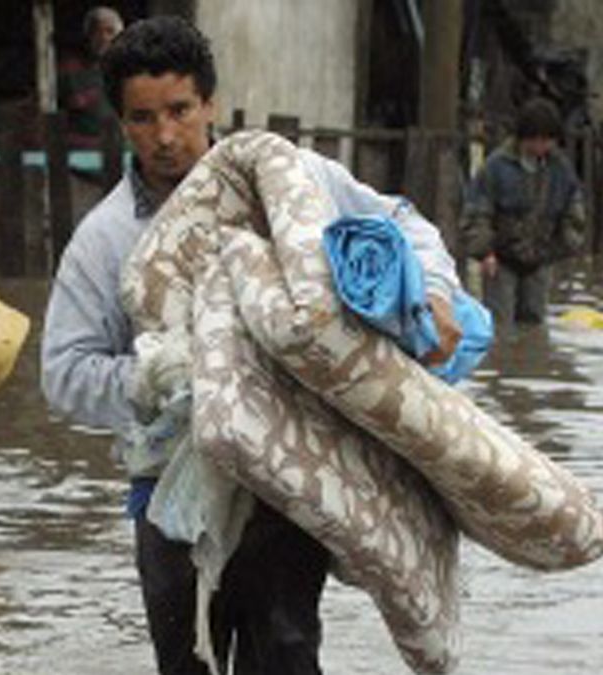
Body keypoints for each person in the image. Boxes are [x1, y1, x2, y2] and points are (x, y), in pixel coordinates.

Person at [40, 16, 461, 674]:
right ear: (123, 124)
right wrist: (177, 378)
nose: (167, 135)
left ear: (210, 102)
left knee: (288, 649)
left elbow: (404, 223)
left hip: (287, 479)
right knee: (187, 663)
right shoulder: (106, 238)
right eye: (144, 118)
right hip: (168, 497)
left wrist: (431, 294)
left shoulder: (290, 182)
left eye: (180, 110)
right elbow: (63, 371)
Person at [461, 97, 586, 325]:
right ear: (526, 137)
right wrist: (484, 252)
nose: (544, 146)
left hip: (540, 259)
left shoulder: (561, 169)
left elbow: (573, 210)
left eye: (549, 140)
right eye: (539, 140)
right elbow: (478, 212)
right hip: (500, 260)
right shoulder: (496, 167)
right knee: (498, 324)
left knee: (534, 324)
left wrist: (563, 247)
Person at [57, 6, 124, 148]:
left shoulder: (133, 70)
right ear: (88, 37)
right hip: (79, 153)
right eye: (96, 32)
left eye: (110, 31)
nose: (103, 37)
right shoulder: (70, 69)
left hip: (123, 150)